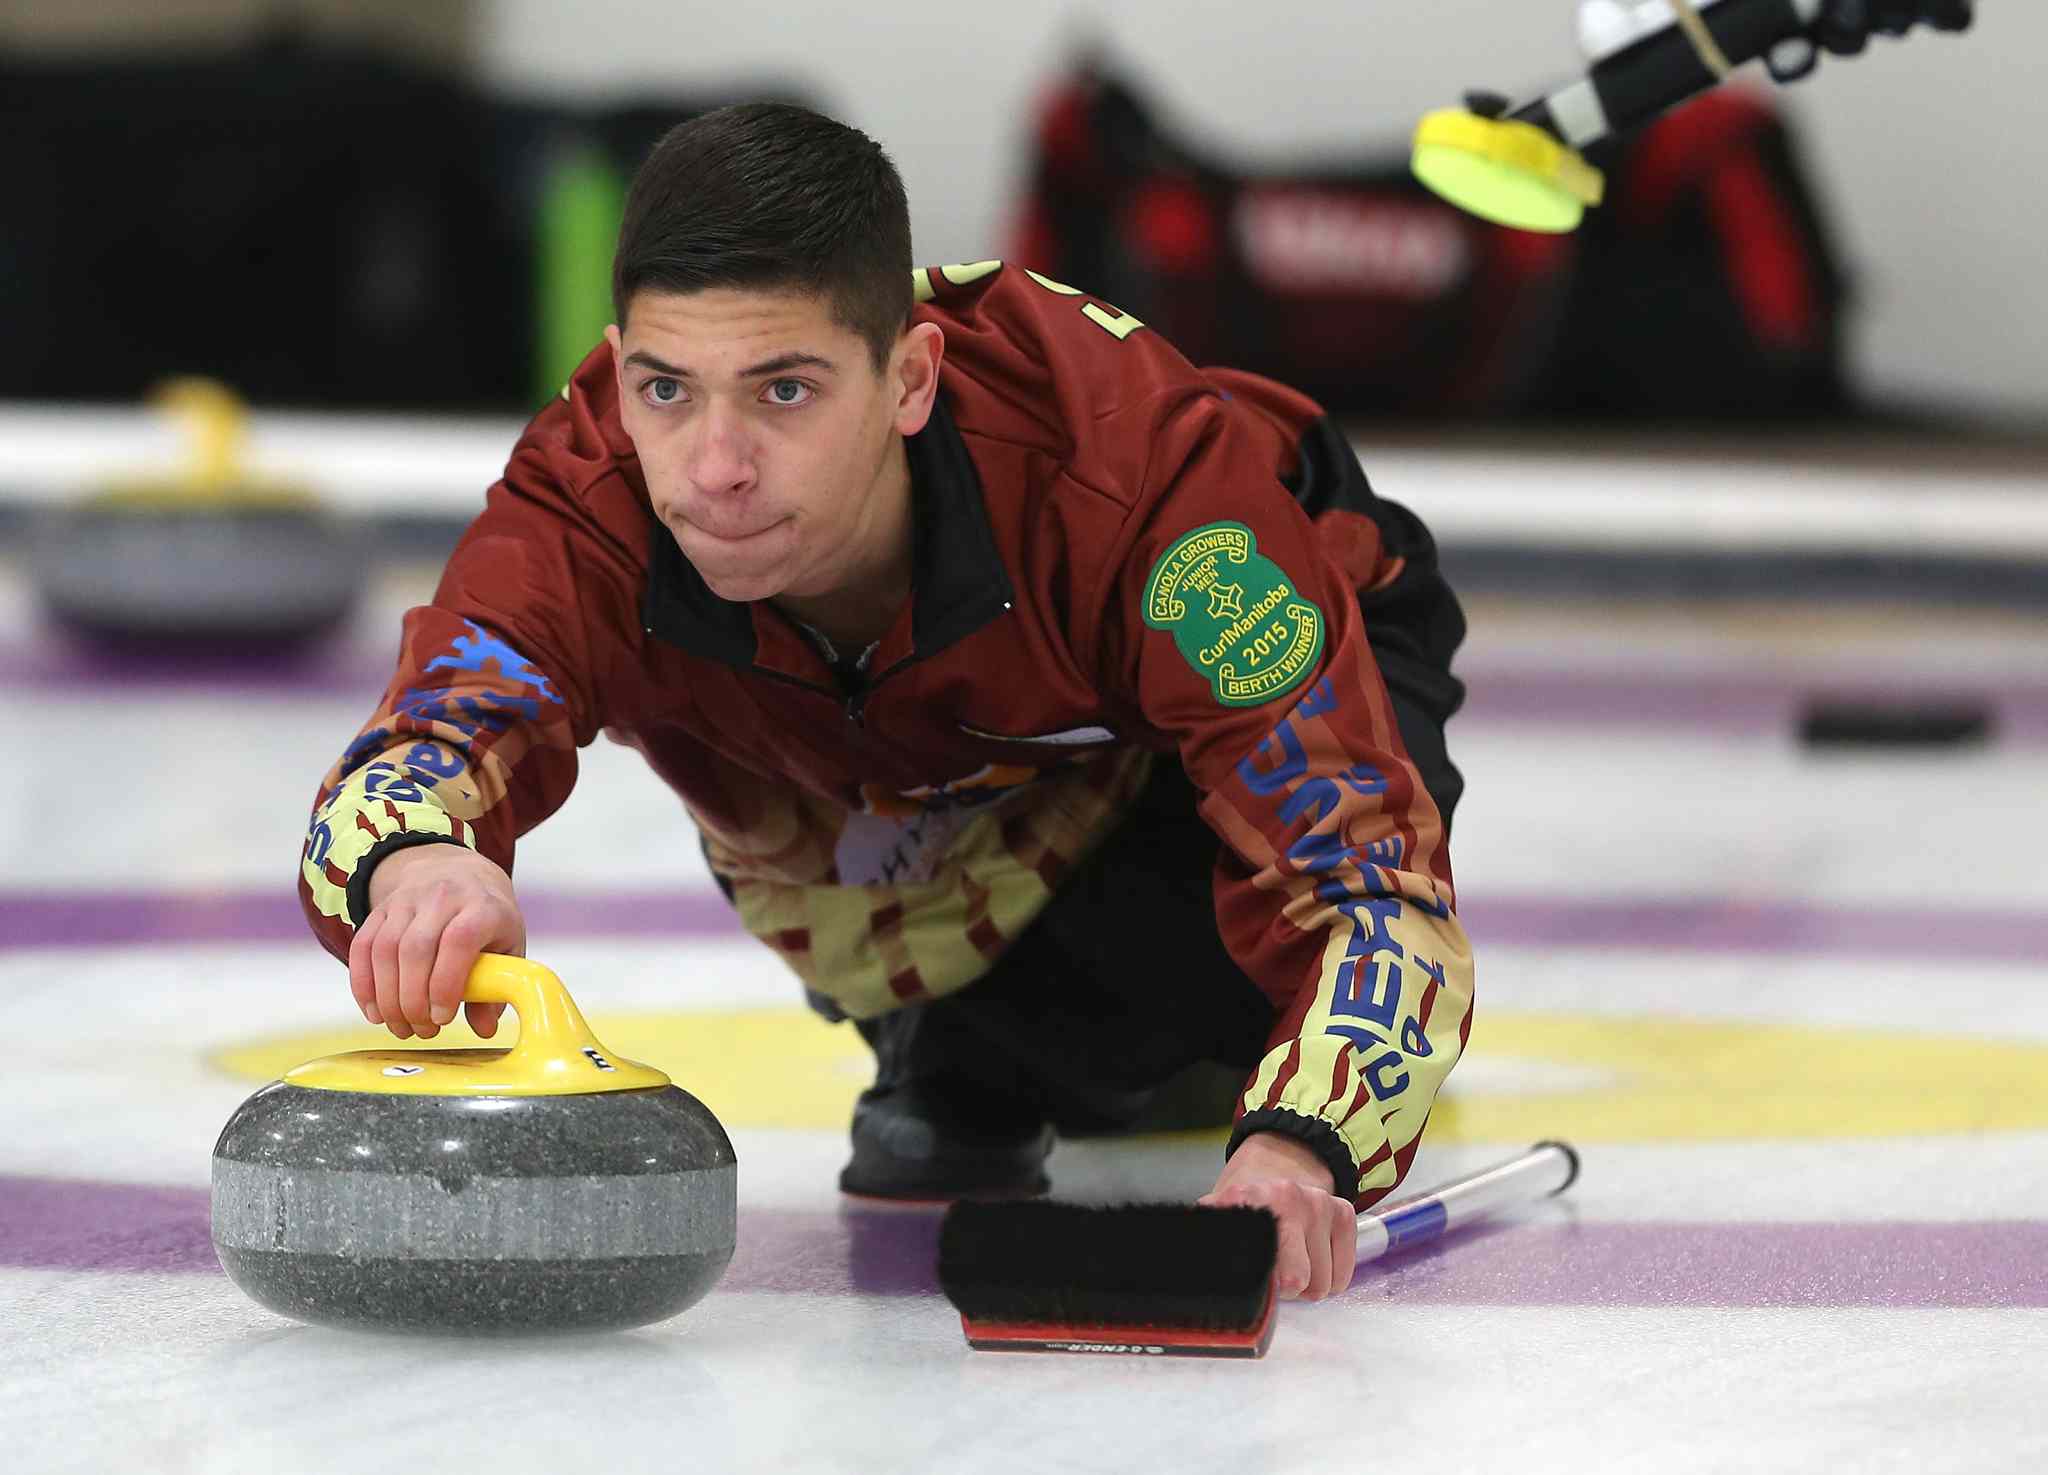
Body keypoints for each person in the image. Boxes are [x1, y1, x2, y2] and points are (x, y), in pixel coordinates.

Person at [298, 102, 1471, 1303]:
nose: (714, 469)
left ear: (910, 377)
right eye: (665, 388)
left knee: (1219, 992)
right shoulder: (586, 492)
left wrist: (1301, 1144)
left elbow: (1367, 891)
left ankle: (1048, 1032)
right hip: (889, 772)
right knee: (1021, 995)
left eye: (784, 392)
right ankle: (971, 1035)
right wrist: (417, 866)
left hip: (1292, 615)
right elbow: (425, 737)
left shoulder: (1151, 504)